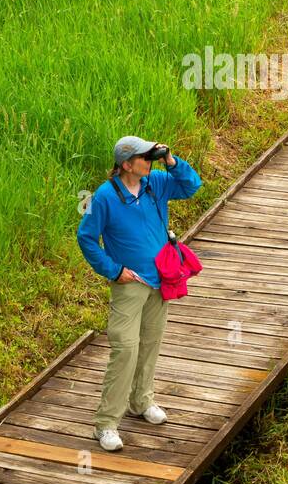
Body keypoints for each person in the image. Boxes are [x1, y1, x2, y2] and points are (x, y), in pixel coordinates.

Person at [77, 136, 202, 452]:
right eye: (146, 157)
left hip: (161, 279)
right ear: (126, 164)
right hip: (129, 285)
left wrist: (171, 160)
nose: (151, 160)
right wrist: (113, 270)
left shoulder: (156, 182)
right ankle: (106, 424)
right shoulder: (104, 197)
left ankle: (141, 401)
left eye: (152, 155)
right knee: (125, 350)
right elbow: (87, 238)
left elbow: (191, 186)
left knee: (150, 343)